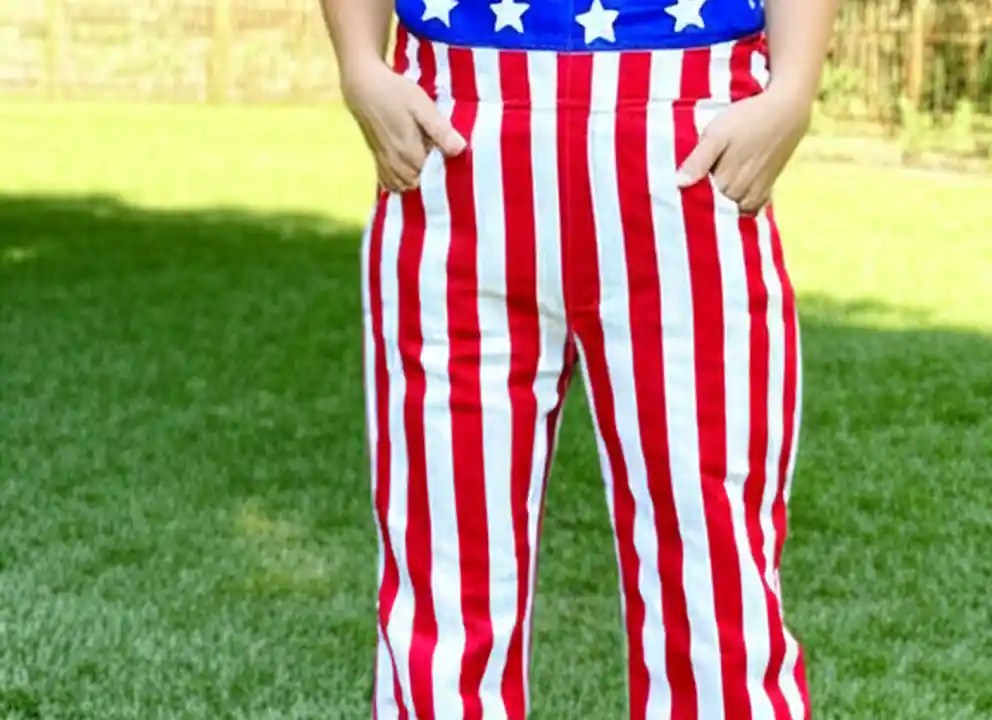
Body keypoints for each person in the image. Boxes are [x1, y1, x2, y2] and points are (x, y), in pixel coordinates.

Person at [320, 0, 835, 713]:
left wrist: (794, 91)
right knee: (445, 568)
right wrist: (358, 66)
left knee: (714, 561)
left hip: (685, 133)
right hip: (454, 137)